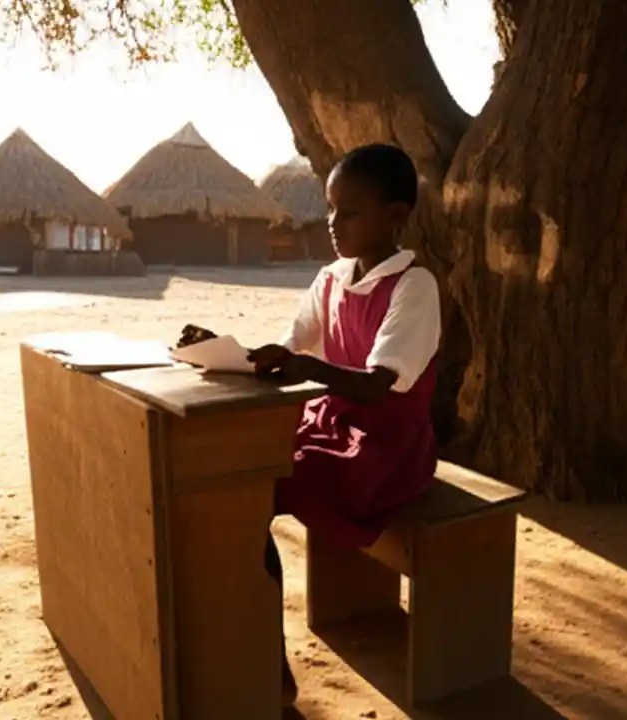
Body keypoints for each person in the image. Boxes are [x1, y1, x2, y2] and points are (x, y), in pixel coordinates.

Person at [252, 143, 441, 704]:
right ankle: (257, 650)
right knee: (240, 472)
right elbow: (293, 343)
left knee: (258, 493)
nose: (334, 224)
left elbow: (379, 385)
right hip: (331, 427)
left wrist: (305, 366)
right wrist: (241, 356)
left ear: (396, 216)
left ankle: (266, 668)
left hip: (385, 449)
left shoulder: (414, 286)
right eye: (331, 209)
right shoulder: (332, 279)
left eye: (351, 211)